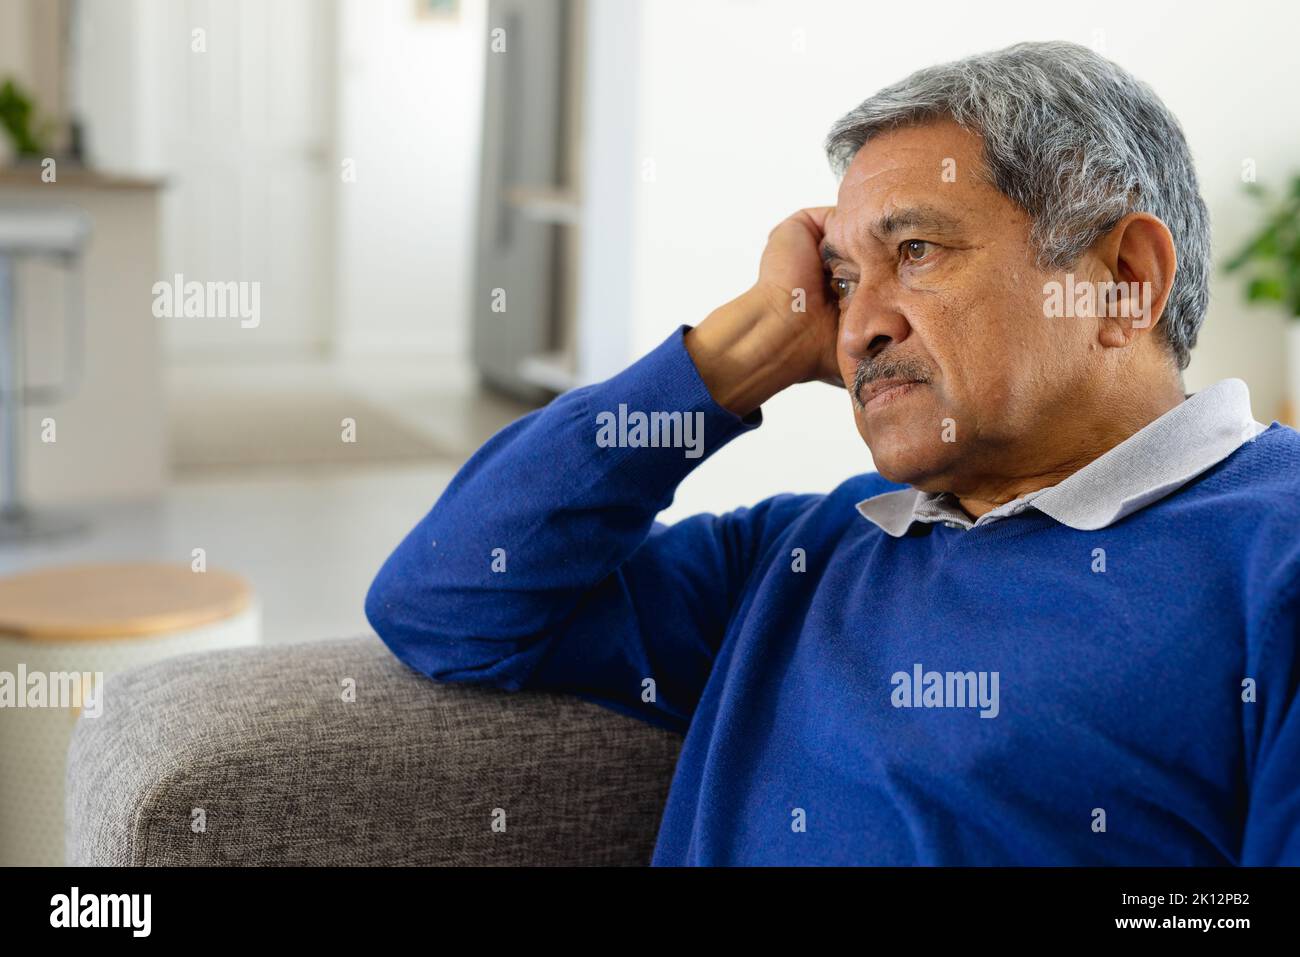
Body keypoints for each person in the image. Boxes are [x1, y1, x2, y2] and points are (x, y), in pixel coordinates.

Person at [366, 41, 1300, 865]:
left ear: (1124, 282)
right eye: (843, 281)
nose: (856, 329)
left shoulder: (1274, 558)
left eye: (920, 251)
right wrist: (743, 351)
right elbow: (444, 603)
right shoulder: (809, 550)